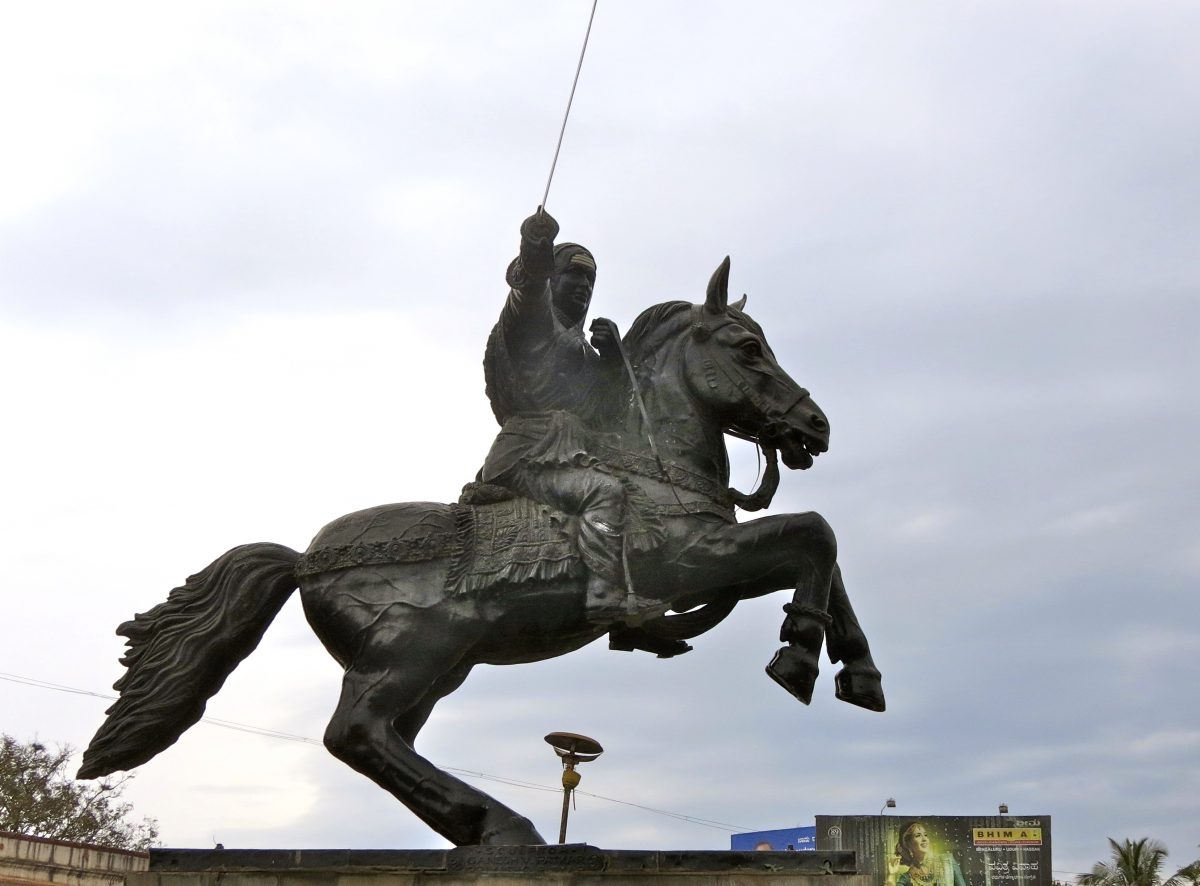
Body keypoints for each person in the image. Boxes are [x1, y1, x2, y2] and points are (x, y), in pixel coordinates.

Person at [477, 207, 648, 625]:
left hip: (571, 452)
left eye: (591, 280)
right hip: (528, 453)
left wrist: (610, 362)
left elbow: (604, 418)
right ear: (554, 278)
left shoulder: (582, 351)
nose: (585, 287)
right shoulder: (530, 324)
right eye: (575, 276)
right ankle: (606, 595)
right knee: (603, 493)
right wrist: (536, 246)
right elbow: (528, 285)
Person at [885, 822, 968, 886]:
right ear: (908, 844)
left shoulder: (948, 861)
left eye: (925, 835)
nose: (924, 839)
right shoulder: (906, 878)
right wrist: (891, 874)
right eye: (918, 835)